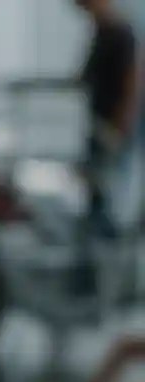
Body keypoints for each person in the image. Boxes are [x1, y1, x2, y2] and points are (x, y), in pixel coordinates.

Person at [74, 0, 139, 259]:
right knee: (95, 196)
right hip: (97, 124)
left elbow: (133, 85)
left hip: (112, 127)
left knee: (109, 194)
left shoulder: (121, 33)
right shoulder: (101, 32)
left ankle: (112, 264)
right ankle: (95, 265)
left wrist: (120, 128)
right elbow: (86, 76)